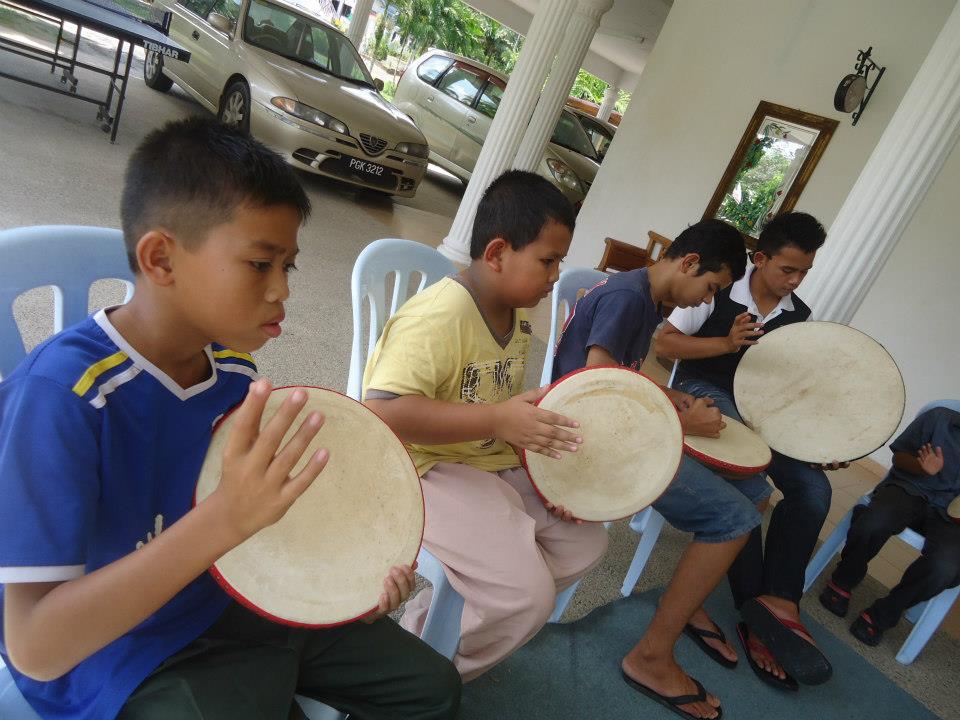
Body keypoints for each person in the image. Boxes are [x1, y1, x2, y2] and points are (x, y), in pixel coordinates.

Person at [0, 117, 460, 720]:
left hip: (230, 598)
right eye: (259, 264)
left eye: (287, 267)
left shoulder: (235, 377)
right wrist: (224, 520)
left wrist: (349, 582)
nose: (282, 292)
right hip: (114, 655)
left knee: (432, 689)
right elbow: (34, 648)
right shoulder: (65, 396)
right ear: (161, 258)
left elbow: (262, 531)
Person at [362, 170, 609, 681]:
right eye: (548, 260)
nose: (554, 275)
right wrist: (498, 418)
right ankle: (435, 678)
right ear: (497, 253)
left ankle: (433, 630)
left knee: (588, 544)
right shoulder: (440, 316)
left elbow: (499, 407)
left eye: (559, 261)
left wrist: (546, 472)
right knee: (528, 596)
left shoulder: (516, 315)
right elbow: (383, 411)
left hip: (486, 462)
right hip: (425, 467)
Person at [551, 218, 749, 719]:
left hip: (611, 428)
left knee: (754, 490)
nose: (707, 301)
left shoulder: (642, 293)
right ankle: (651, 657)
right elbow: (597, 395)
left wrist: (671, 399)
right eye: (710, 288)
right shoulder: (628, 299)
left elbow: (621, 377)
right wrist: (682, 428)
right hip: (585, 442)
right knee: (736, 520)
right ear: (688, 263)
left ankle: (691, 597)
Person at [657, 211, 841, 691]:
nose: (795, 281)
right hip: (708, 397)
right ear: (759, 259)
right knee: (751, 481)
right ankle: (751, 607)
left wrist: (818, 439)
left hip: (767, 417)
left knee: (813, 490)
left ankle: (778, 602)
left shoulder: (798, 316)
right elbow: (665, 345)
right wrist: (726, 342)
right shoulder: (717, 288)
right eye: (787, 269)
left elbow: (791, 386)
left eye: (804, 273)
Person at [820, 405, 960, 646]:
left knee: (946, 567)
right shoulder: (939, 418)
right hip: (910, 489)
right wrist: (922, 467)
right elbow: (900, 457)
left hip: (951, 518)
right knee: (875, 522)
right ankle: (844, 579)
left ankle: (884, 613)